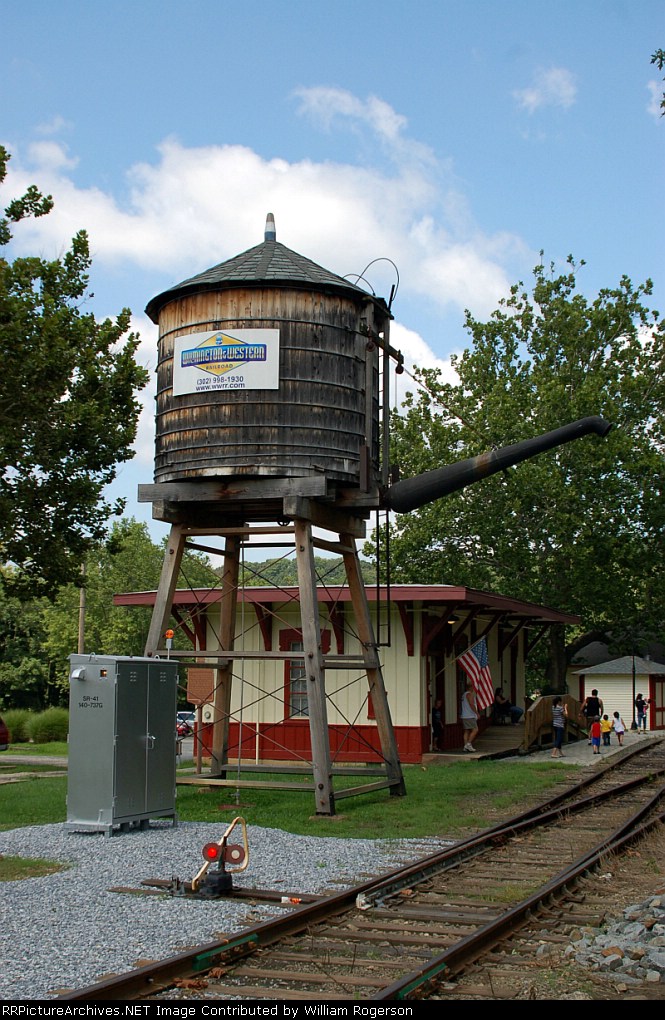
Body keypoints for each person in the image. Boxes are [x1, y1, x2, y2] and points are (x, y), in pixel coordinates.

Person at [460, 681, 478, 752]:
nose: (474, 688)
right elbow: (471, 704)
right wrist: (476, 713)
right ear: (470, 687)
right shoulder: (469, 694)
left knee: (467, 731)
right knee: (475, 729)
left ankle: (465, 746)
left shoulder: (464, 695)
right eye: (473, 687)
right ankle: (468, 744)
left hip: (464, 715)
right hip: (469, 715)